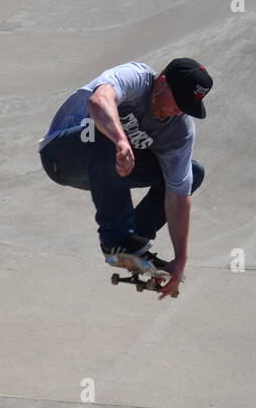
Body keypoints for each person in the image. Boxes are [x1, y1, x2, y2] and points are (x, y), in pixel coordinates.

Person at [39, 58, 212, 299]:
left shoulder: (180, 130)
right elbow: (98, 101)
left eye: (187, 107)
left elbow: (178, 196)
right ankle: (116, 238)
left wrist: (181, 258)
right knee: (102, 132)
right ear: (162, 83)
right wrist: (120, 140)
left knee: (192, 173)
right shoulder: (136, 79)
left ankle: (131, 243)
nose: (179, 111)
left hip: (109, 172)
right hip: (62, 156)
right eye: (179, 102)